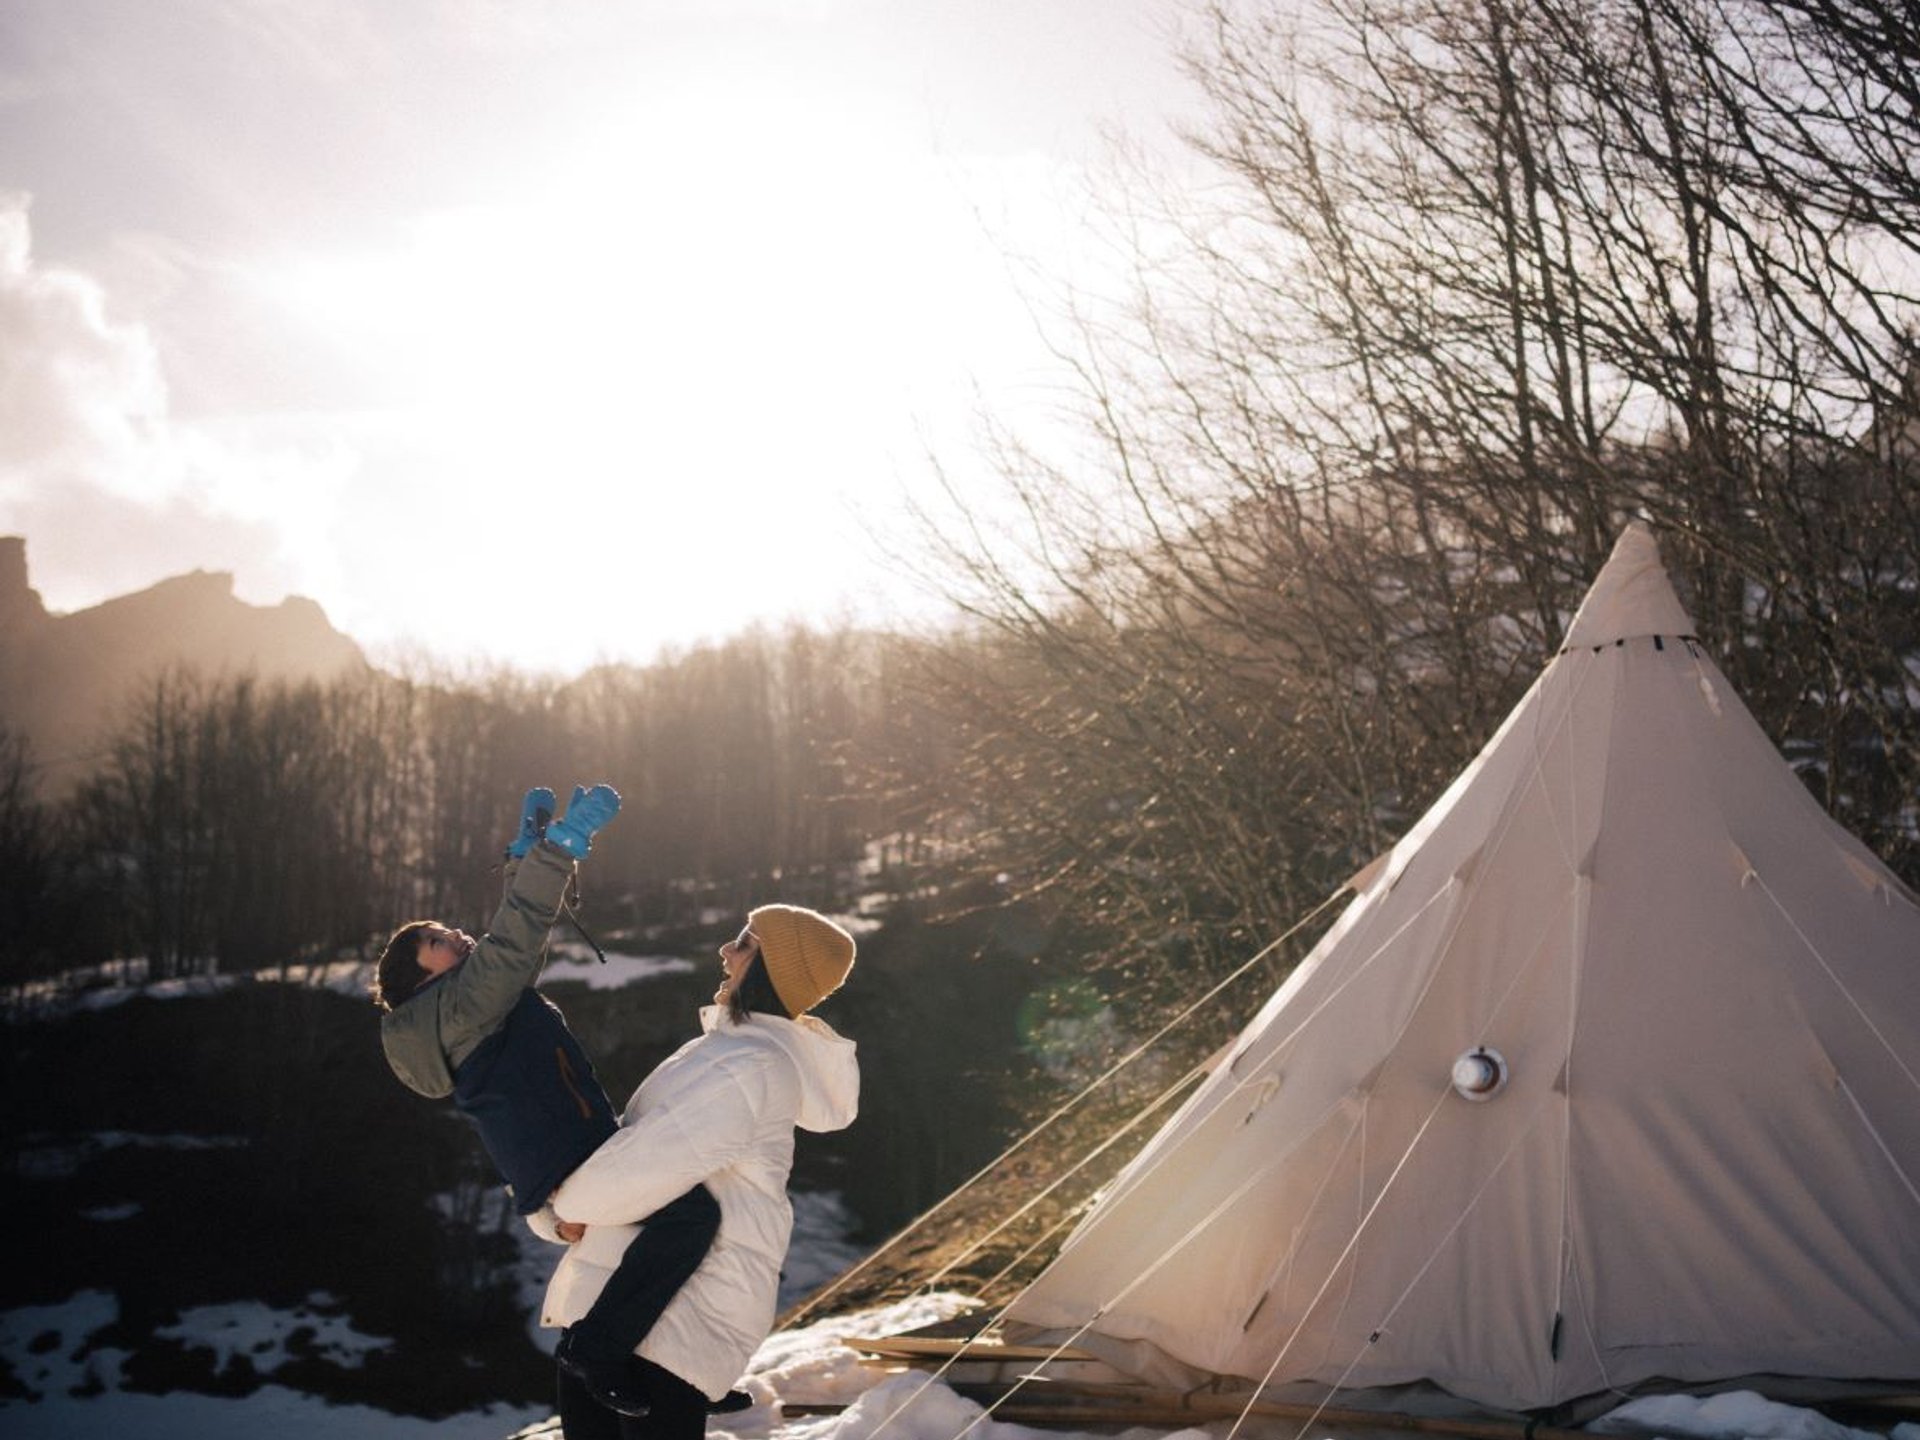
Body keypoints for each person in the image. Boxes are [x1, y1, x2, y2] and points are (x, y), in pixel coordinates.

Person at [372, 783, 719, 1418]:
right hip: (573, 1159)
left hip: (564, 1160)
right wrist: (556, 851)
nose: (457, 935)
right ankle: (605, 1355)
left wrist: (524, 862)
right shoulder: (462, 1004)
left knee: (639, 1253)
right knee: (693, 1218)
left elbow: (511, 956)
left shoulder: (458, 1008)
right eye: (442, 941)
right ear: (428, 978)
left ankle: (673, 1377)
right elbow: (513, 943)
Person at [530, 902, 861, 1440]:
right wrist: (555, 1213)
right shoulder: (718, 1052)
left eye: (745, 944)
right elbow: (625, 1147)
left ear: (775, 970)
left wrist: (556, 1207)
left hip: (675, 1319)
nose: (726, 952)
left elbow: (640, 1169)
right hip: (626, 1307)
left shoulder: (747, 1067)